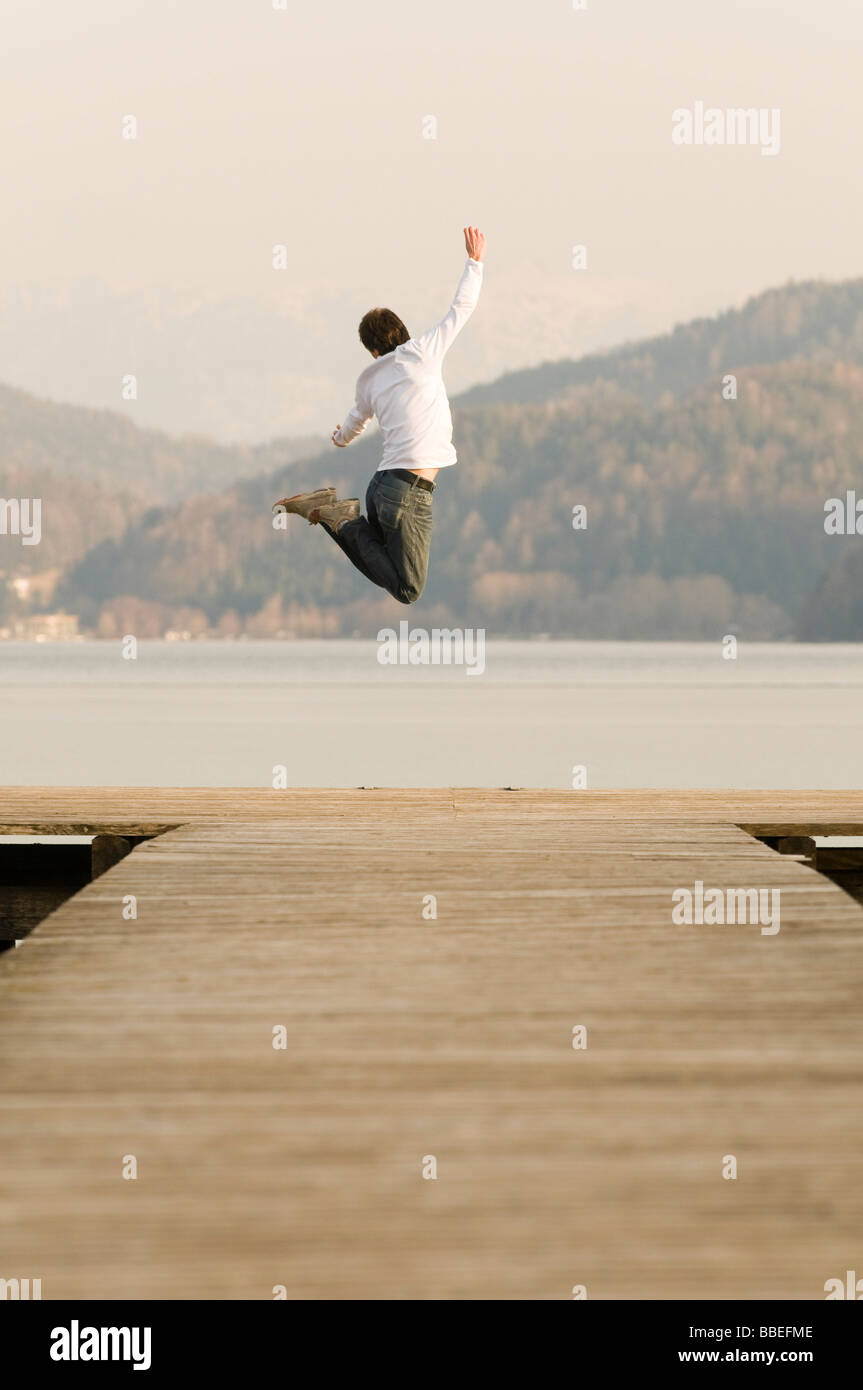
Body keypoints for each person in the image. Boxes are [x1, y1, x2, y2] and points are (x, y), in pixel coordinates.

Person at [273, 225, 486, 604]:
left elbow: (354, 423)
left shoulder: (368, 380)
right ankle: (338, 517)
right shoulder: (424, 352)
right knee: (408, 589)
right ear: (403, 332)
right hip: (407, 494)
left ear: (373, 351)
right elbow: (461, 309)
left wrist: (339, 438)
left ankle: (341, 517)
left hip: (383, 488)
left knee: (394, 572)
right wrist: (474, 262)